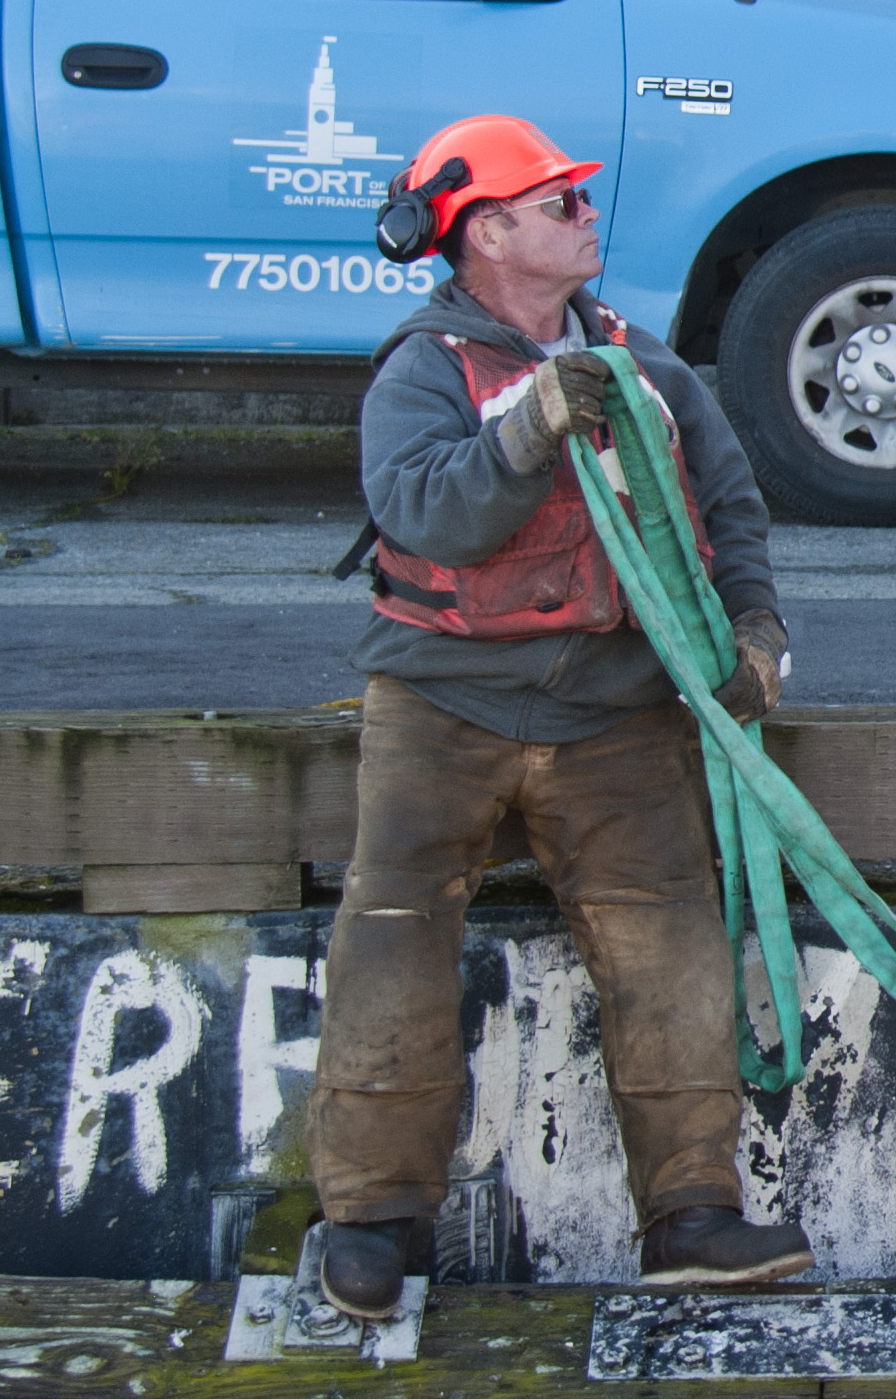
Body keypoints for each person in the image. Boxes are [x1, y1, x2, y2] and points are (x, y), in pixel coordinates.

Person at [313, 117, 807, 1319]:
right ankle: (374, 1218)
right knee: (392, 930)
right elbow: (428, 516)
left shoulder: (651, 366)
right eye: (558, 201)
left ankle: (692, 1212)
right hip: (441, 700)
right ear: (488, 230)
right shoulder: (421, 370)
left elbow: (729, 506)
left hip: (616, 706)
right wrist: (531, 423)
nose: (587, 215)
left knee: (671, 939)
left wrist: (757, 635)